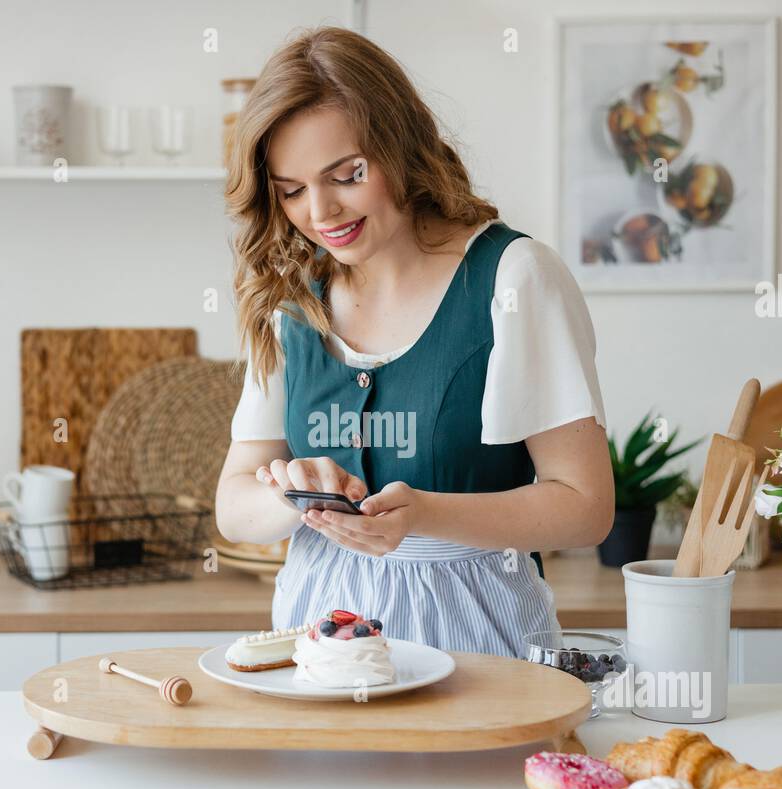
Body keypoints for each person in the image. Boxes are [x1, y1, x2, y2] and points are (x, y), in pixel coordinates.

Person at [215, 27, 612, 657]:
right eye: (290, 190)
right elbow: (234, 508)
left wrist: (425, 514)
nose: (320, 213)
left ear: (400, 147)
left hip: (480, 639)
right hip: (317, 646)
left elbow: (586, 507)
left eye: (347, 174)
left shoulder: (513, 277)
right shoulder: (291, 301)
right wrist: (299, 496)